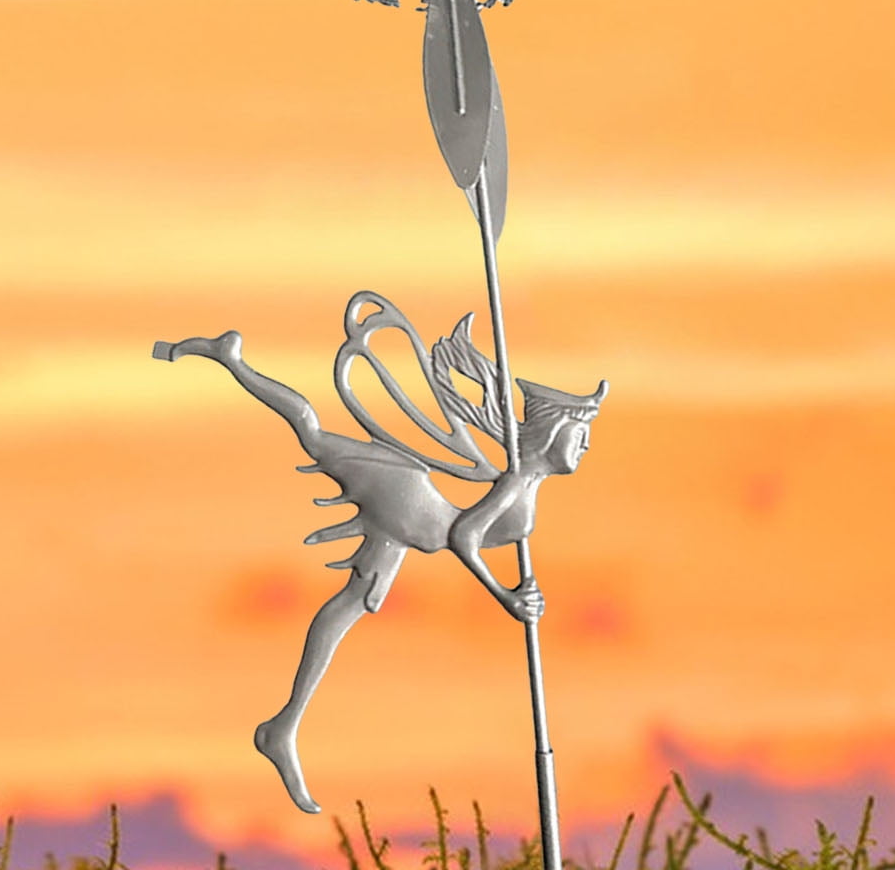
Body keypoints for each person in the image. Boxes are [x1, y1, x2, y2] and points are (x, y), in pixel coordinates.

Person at [153, 302, 605, 813]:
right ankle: (231, 359)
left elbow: (465, 533)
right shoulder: (518, 481)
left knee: (353, 600)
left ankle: (283, 726)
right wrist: (506, 597)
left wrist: (511, 594)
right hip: (409, 503)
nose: (587, 446)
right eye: (581, 434)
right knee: (312, 433)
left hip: (415, 524)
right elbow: (464, 535)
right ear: (554, 433)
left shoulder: (526, 481)